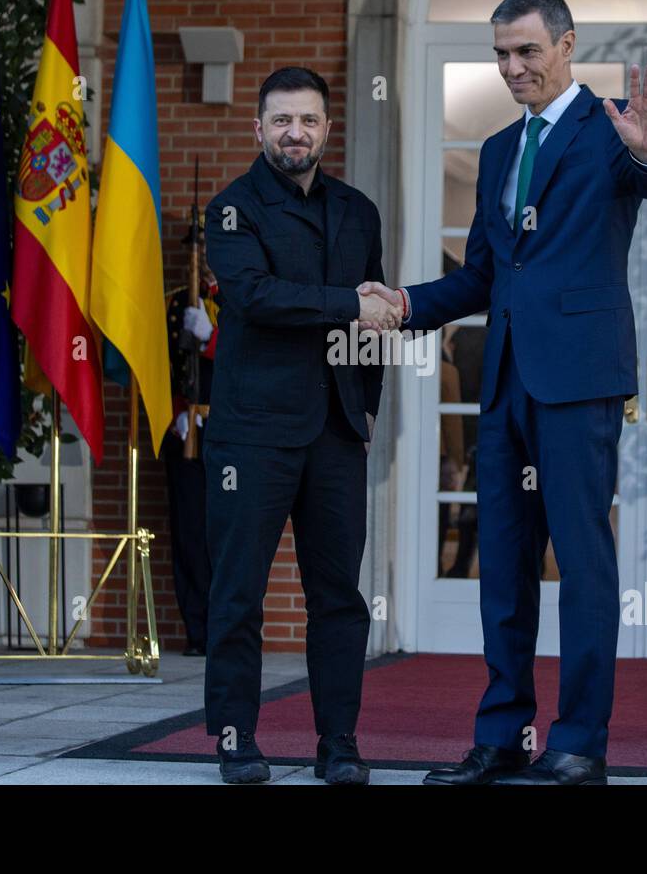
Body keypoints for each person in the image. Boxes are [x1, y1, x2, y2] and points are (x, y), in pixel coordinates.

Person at [361, 0, 647, 785]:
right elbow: (482, 276)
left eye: (527, 51)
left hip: (579, 383)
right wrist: (407, 305)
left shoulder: (611, 127)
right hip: (505, 384)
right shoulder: (501, 151)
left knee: (583, 563)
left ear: (567, 45)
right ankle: (501, 734)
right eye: (501, 54)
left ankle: (579, 742)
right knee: (503, 567)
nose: (512, 68)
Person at [201, 66, 399, 784]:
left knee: (339, 599)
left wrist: (369, 404)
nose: (296, 132)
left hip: (339, 432)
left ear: (327, 128)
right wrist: (348, 304)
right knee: (237, 593)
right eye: (282, 120)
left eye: (308, 120)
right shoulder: (231, 211)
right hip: (251, 434)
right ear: (259, 129)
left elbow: (376, 317)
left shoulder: (358, 211)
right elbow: (255, 299)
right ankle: (234, 740)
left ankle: (338, 746)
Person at [162, 265, 218, 656]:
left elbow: (256, 355)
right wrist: (176, 410)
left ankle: (230, 630)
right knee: (190, 534)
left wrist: (213, 338)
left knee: (230, 538)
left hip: (233, 430)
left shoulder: (246, 296)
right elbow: (160, 365)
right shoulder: (177, 301)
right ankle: (197, 631)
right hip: (187, 429)